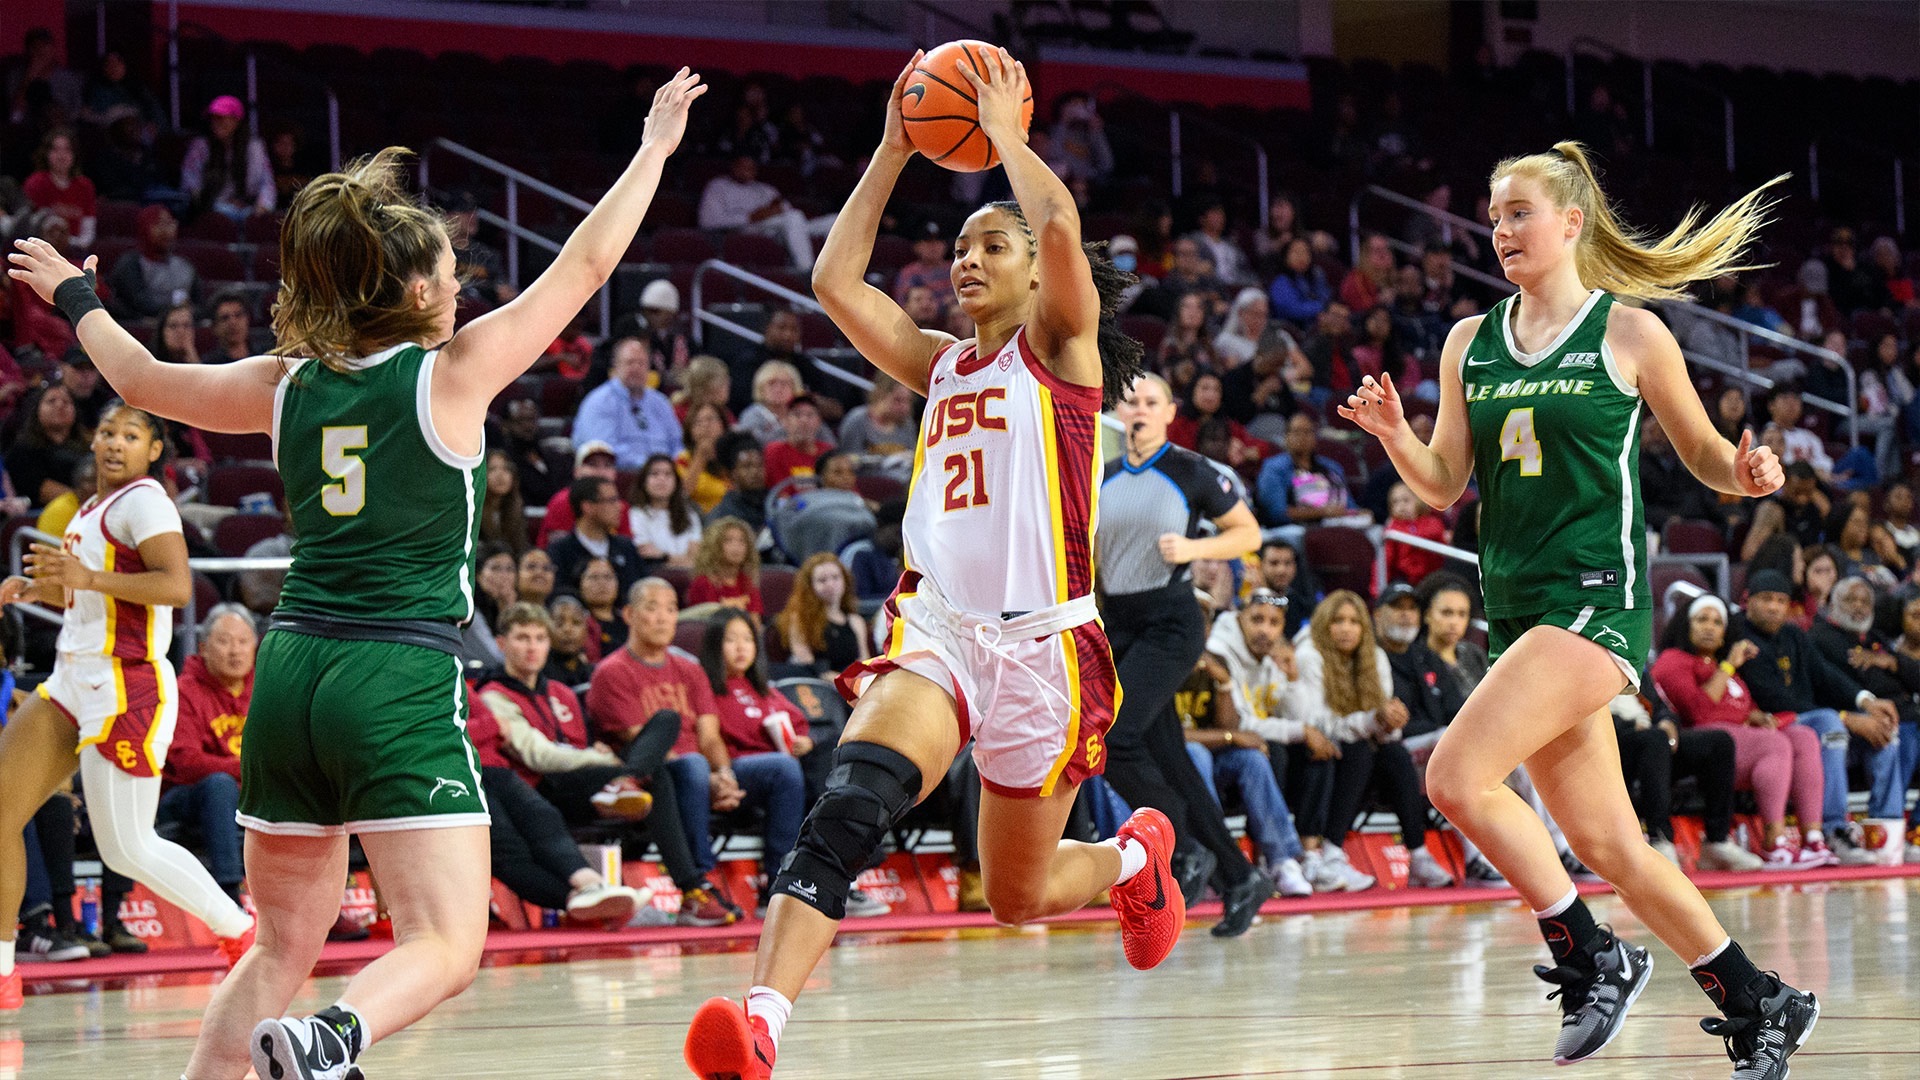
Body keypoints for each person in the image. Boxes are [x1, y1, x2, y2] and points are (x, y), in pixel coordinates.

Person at [6, 70, 706, 1076]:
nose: (464, 282)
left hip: (290, 671)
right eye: (452, 270)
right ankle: (331, 1039)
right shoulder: (453, 373)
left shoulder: (284, 387)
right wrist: (655, 149)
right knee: (446, 940)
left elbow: (142, 380)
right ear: (416, 288)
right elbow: (590, 263)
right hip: (394, 674)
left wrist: (74, 292)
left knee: (282, 946)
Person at [685, 49, 1171, 1080]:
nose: (966, 258)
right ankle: (761, 1020)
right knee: (852, 801)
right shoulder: (939, 361)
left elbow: (1063, 227)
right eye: (957, 245)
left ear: (1037, 271)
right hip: (941, 630)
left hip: (1045, 649)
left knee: (1017, 898)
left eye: (991, 243)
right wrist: (895, 146)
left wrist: (1004, 138)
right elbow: (831, 280)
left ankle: (1136, 856)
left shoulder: (1065, 354)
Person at [1336, 141, 1818, 1076]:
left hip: (1594, 601)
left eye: (1518, 211)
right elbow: (1443, 486)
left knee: (1455, 778)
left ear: (1570, 223)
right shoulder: (1469, 340)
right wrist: (1395, 435)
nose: (1500, 227)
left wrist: (1750, 474)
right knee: (1609, 843)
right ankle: (1760, 1002)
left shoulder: (1630, 334)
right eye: (1492, 213)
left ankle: (1591, 953)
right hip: (1514, 609)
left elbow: (1708, 454)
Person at [0, 402, 256, 1014]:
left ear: (154, 450)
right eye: (108, 432)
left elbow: (173, 586)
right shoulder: (91, 507)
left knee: (127, 848)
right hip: (71, 677)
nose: (115, 442)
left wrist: (84, 581)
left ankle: (240, 931)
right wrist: (43, 589)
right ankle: (4, 972)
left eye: (131, 434)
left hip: (127, 686)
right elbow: (93, 592)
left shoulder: (146, 501)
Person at [1095, 372, 1273, 928]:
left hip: (1171, 623)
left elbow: (1249, 535)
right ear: (1118, 412)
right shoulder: (1102, 476)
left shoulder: (1192, 471)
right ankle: (1240, 877)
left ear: (1171, 413)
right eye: (1131, 402)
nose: (1140, 410)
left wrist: (1195, 546)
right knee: (1171, 759)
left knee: (1115, 739)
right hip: (1118, 623)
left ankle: (1177, 847)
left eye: (1151, 402)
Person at [586, 580, 745, 928]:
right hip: (655, 772)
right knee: (678, 744)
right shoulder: (611, 671)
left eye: (671, 608)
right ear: (628, 614)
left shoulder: (689, 668)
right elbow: (639, 740)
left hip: (698, 770)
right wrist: (705, 776)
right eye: (652, 607)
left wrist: (724, 775)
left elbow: (710, 735)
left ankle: (785, 884)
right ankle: (701, 883)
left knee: (782, 770)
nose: (663, 617)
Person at [1650, 594, 1827, 869]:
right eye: (1702, 620)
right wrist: (1729, 664)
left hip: (1743, 739)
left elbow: (1743, 709)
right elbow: (1701, 713)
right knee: (1774, 744)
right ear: (1686, 625)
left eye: (1717, 623)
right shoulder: (1674, 660)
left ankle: (1813, 838)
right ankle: (1774, 843)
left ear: (1724, 633)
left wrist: (1759, 717)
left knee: (1804, 736)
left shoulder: (1726, 670)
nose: (1710, 627)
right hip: (1705, 742)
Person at [1289, 590, 1437, 891]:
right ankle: (1330, 850)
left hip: (1361, 753)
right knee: (1360, 751)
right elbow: (1319, 726)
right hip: (1310, 751)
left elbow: (1385, 731)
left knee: (1393, 752)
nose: (1346, 628)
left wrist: (1392, 720)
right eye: (1338, 621)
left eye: (1354, 621)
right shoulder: (1309, 656)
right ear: (1323, 624)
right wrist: (1374, 720)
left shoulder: (1375, 657)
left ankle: (1418, 853)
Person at [463, 692, 644, 925]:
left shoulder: (455, 674)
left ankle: (593, 885)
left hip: (496, 770)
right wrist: (491, 726)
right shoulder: (410, 681)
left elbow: (489, 730)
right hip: (457, 775)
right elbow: (444, 737)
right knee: (507, 849)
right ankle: (577, 900)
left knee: (545, 818)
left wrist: (480, 729)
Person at [1196, 589, 1327, 897]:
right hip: (1201, 748)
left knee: (1270, 756)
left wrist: (1293, 677)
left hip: (1225, 752)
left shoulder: (1270, 659)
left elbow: (1304, 718)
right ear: (1240, 619)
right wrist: (1301, 730)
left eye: (1273, 623)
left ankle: (1283, 860)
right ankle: (1216, 860)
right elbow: (1240, 725)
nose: (1264, 630)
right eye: (1256, 620)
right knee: (1259, 751)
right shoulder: (1219, 651)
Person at [698, 609, 813, 913]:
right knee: (785, 769)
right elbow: (708, 740)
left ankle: (839, 876)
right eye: (731, 640)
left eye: (748, 639)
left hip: (776, 772)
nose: (741, 647)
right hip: (732, 770)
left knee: (826, 764)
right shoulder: (705, 685)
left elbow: (799, 724)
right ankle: (779, 884)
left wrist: (804, 741)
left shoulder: (763, 688)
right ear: (714, 645)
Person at [1807, 576, 1920, 848]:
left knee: (1892, 732)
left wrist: (1892, 663)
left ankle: (1901, 830)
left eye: (1865, 601)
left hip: (1893, 717)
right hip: (1841, 723)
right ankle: (1851, 831)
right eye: (1850, 600)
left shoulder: (1874, 637)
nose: (1859, 606)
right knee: (1891, 735)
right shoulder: (1819, 638)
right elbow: (1835, 687)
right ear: (1832, 603)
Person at [162, 604, 261, 906]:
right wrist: (247, 770)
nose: (235, 651)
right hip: (186, 796)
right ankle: (230, 898)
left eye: (243, 642)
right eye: (225, 641)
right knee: (219, 785)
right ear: (203, 648)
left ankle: (323, 908)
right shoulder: (183, 690)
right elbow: (186, 763)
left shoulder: (266, 687)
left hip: (253, 791)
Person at [697, 154, 835, 270]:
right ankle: (807, 272)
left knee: (834, 221)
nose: (747, 171)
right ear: (733, 167)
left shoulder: (764, 189)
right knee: (793, 218)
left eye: (751, 167)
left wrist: (774, 211)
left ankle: (838, 273)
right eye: (743, 167)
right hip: (745, 229)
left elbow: (786, 208)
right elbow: (708, 221)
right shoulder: (717, 186)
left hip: (779, 229)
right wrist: (750, 217)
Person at [572, 336, 682, 468]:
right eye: (630, 362)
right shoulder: (599, 402)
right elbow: (602, 453)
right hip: (622, 478)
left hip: (664, 478)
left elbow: (677, 444)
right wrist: (651, 468)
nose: (636, 368)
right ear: (616, 366)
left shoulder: (660, 402)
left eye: (641, 363)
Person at [549, 475, 652, 601]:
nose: (620, 506)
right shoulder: (560, 551)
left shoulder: (626, 547)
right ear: (587, 507)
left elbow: (642, 590)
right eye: (612, 500)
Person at [179, 95, 275, 223]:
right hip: (213, 207)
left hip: (248, 208)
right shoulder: (200, 146)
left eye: (221, 118)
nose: (215, 123)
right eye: (213, 118)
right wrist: (203, 200)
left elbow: (267, 183)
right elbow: (190, 179)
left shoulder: (254, 148)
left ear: (236, 121)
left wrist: (262, 206)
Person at [770, 552, 869, 675]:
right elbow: (807, 663)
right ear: (810, 586)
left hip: (855, 684)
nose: (830, 585)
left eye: (836, 577)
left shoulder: (856, 621)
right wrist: (843, 682)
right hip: (819, 685)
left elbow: (864, 663)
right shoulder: (800, 619)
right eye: (822, 580)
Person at [104, 205, 199, 319]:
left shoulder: (185, 266)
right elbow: (140, 304)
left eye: (170, 224)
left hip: (183, 323)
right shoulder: (130, 264)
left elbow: (199, 304)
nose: (166, 231)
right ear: (144, 228)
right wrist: (176, 310)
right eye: (159, 224)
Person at [535, 440, 631, 548]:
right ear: (577, 471)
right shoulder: (562, 502)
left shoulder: (621, 506)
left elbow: (624, 549)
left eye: (607, 465)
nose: (601, 471)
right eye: (592, 464)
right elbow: (557, 551)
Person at [6, 383, 88, 506]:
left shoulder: (88, 448)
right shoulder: (22, 451)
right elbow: (43, 491)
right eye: (51, 401)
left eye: (67, 402)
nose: (60, 405)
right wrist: (92, 503)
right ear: (36, 410)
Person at [23, 127, 95, 249]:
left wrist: (74, 244)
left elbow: (88, 230)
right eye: (55, 150)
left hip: (75, 251)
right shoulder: (36, 183)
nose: (61, 156)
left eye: (67, 150)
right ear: (46, 154)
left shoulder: (85, 186)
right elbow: (30, 228)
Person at [629, 453, 702, 568]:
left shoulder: (689, 514)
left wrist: (664, 557)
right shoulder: (636, 514)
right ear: (643, 481)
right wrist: (679, 559)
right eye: (654, 474)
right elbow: (647, 556)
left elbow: (696, 559)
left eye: (668, 474)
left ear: (676, 482)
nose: (662, 479)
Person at [687, 516, 763, 616]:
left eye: (742, 541)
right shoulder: (703, 583)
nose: (736, 547)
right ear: (714, 546)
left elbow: (755, 622)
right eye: (728, 540)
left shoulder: (747, 582)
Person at [837, 373, 917, 459]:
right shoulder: (857, 420)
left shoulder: (907, 423)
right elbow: (848, 459)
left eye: (908, 401)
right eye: (898, 400)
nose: (905, 407)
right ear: (880, 395)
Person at [760, 392, 827, 487]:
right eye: (797, 415)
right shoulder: (774, 453)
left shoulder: (828, 453)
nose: (804, 421)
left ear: (819, 422)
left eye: (810, 415)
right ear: (785, 421)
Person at [706, 432, 769, 532]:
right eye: (747, 466)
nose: (755, 472)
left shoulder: (773, 502)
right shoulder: (723, 516)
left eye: (759, 465)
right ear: (732, 473)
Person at [677, 401, 731, 515]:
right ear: (690, 431)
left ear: (722, 424)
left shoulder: (732, 455)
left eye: (710, 419)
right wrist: (700, 457)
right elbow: (680, 495)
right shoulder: (683, 460)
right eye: (697, 422)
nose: (705, 425)